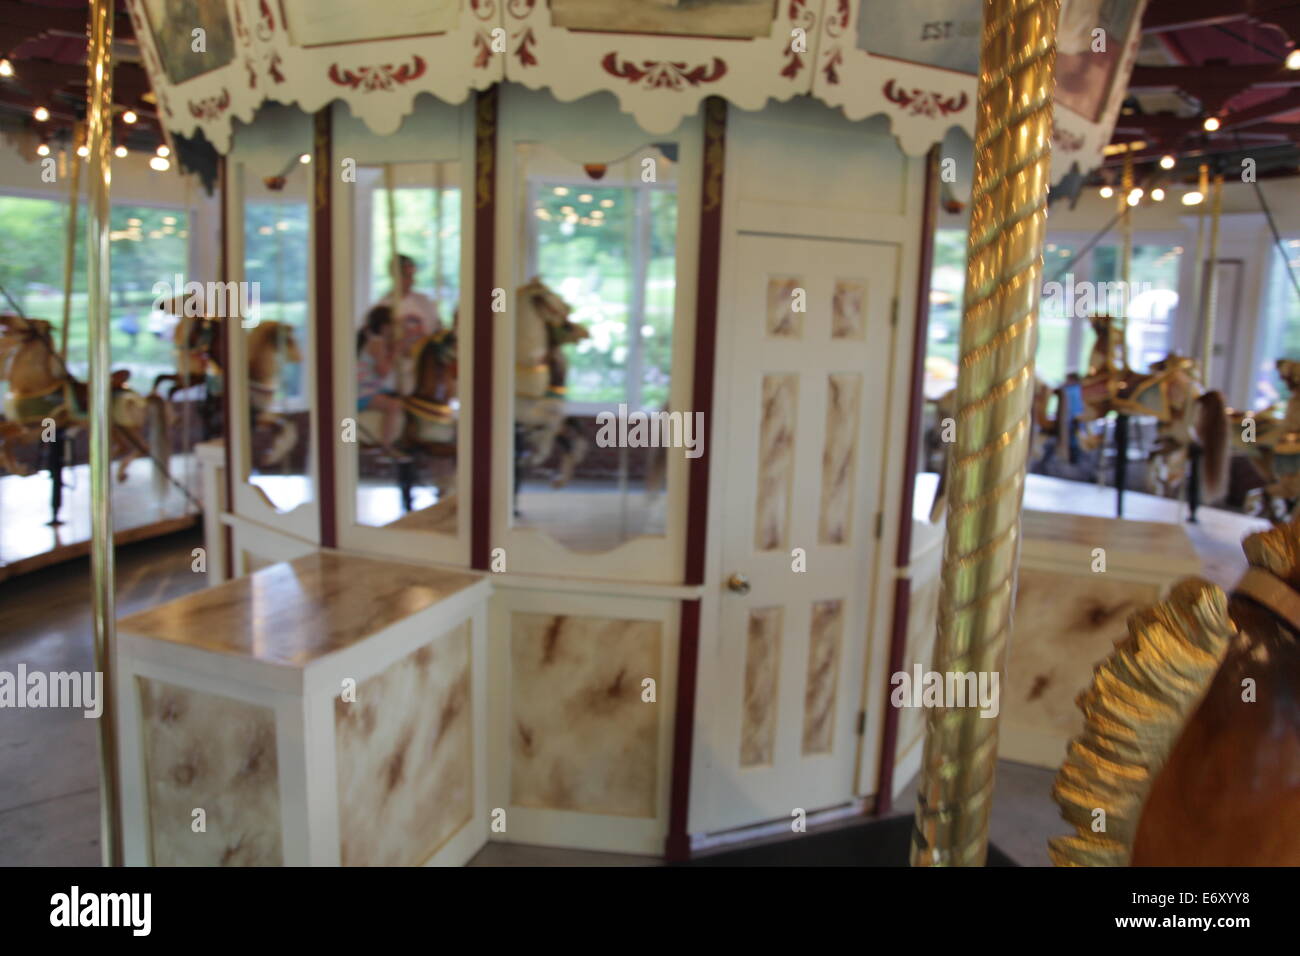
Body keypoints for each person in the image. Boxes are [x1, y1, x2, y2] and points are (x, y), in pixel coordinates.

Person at [356, 305, 404, 450]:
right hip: (363, 391)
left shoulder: (373, 340)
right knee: (394, 405)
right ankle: (386, 445)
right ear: (385, 326)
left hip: (369, 388)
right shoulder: (377, 342)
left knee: (398, 398)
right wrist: (395, 353)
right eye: (393, 325)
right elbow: (383, 371)